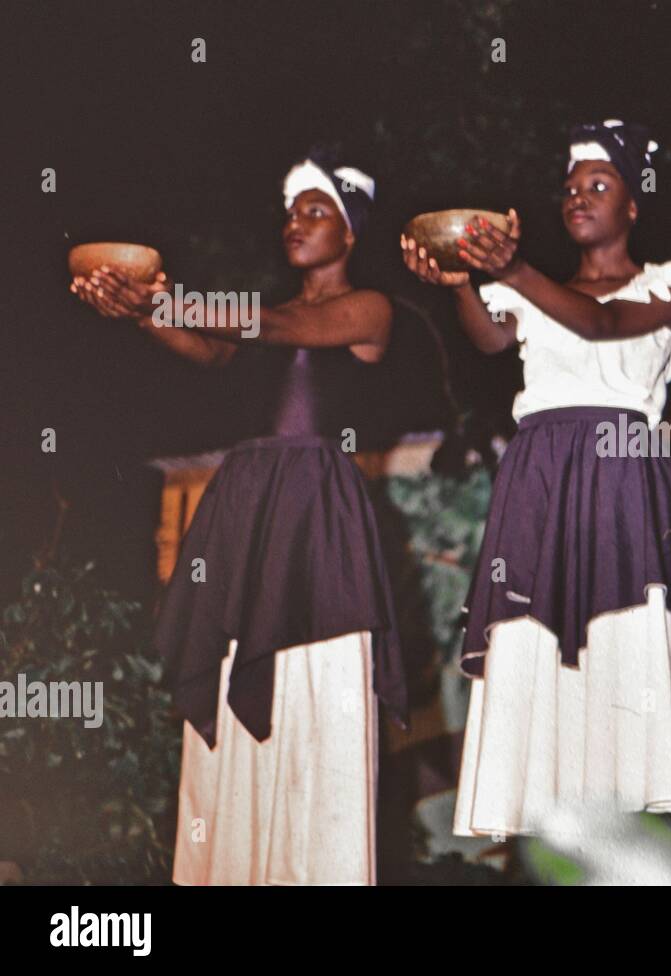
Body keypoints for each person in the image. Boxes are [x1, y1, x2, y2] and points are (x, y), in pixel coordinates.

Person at [70, 151, 406, 884]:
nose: (296, 222)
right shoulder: (260, 319)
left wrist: (161, 300)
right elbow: (204, 347)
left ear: (350, 234)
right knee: (229, 680)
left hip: (315, 513)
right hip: (244, 508)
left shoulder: (367, 309)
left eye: (316, 211)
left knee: (311, 688)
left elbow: (274, 325)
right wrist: (145, 310)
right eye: (292, 211)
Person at [401, 119, 671, 837]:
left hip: (617, 478)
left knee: (617, 646)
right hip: (539, 476)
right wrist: (461, 281)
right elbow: (488, 336)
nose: (579, 198)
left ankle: (625, 847)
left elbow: (603, 327)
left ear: (633, 205)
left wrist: (513, 271)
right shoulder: (535, 293)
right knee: (535, 653)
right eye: (571, 187)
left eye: (599, 185)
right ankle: (555, 844)